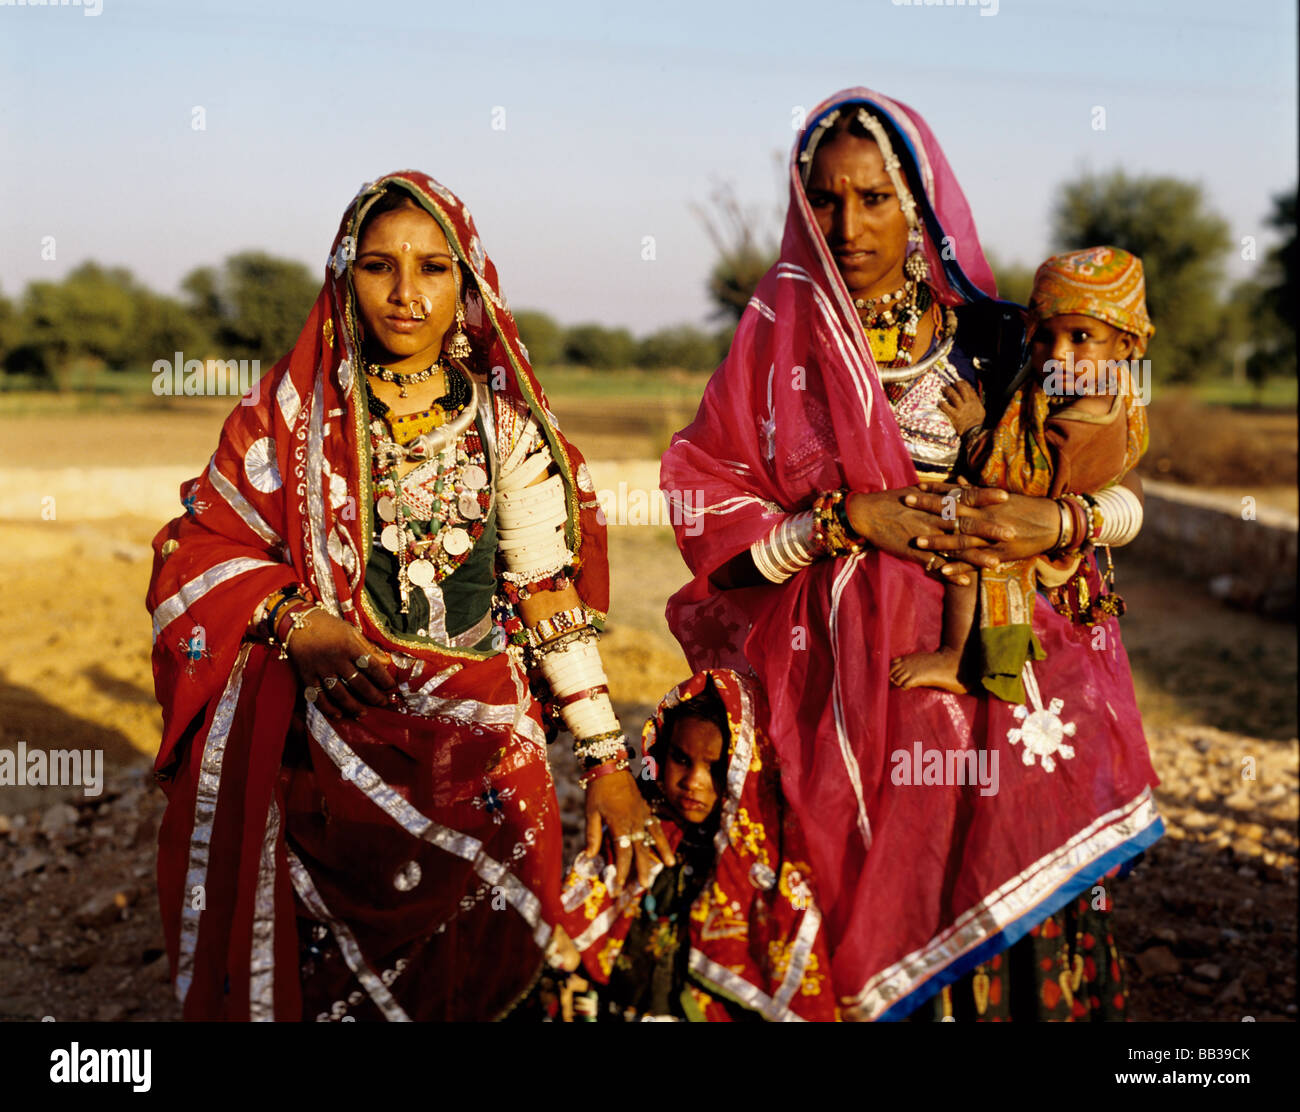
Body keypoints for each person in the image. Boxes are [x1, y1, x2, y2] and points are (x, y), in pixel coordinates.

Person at [660, 89, 1163, 1021]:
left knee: (1005, 862)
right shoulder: (777, 339)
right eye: (824, 200)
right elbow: (705, 494)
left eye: (873, 199)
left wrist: (1055, 528)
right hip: (848, 680)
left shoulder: (1003, 336)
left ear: (920, 202)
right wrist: (847, 519)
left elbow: (1123, 490)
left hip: (1007, 678)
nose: (847, 226)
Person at [145, 171, 671, 1021]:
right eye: (379, 265)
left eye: (433, 267)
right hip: (335, 750)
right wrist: (294, 619)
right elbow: (198, 542)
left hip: (491, 759)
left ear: (468, 284)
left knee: (488, 977)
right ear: (343, 275)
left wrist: (607, 762)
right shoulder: (289, 416)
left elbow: (546, 597)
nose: (406, 293)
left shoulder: (508, 426)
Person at [890, 245, 1155, 702]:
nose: (1057, 353)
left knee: (967, 553)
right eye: (1043, 336)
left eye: (1080, 337)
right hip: (1043, 511)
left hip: (1030, 523)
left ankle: (956, 657)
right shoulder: (1102, 386)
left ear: (1126, 345)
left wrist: (974, 428)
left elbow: (1023, 479)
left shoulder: (1086, 417)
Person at [556, 669, 837, 1021]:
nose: (693, 782)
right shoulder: (640, 824)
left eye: (716, 768)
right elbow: (577, 932)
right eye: (681, 759)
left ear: (747, 768)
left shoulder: (766, 868)